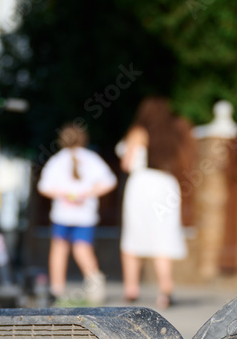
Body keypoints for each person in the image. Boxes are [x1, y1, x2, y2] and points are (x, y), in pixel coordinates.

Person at [118, 98, 194, 308]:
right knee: (163, 236)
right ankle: (165, 288)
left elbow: (127, 164)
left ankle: (131, 289)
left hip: (142, 185)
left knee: (134, 235)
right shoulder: (174, 133)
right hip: (166, 185)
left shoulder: (139, 132)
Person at [37, 124, 117, 305]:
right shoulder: (92, 159)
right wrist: (89, 193)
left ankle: (56, 290)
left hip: (62, 215)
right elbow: (110, 181)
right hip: (84, 215)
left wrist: (63, 194)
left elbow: (44, 187)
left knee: (59, 249)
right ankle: (95, 288)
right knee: (83, 249)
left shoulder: (57, 160)